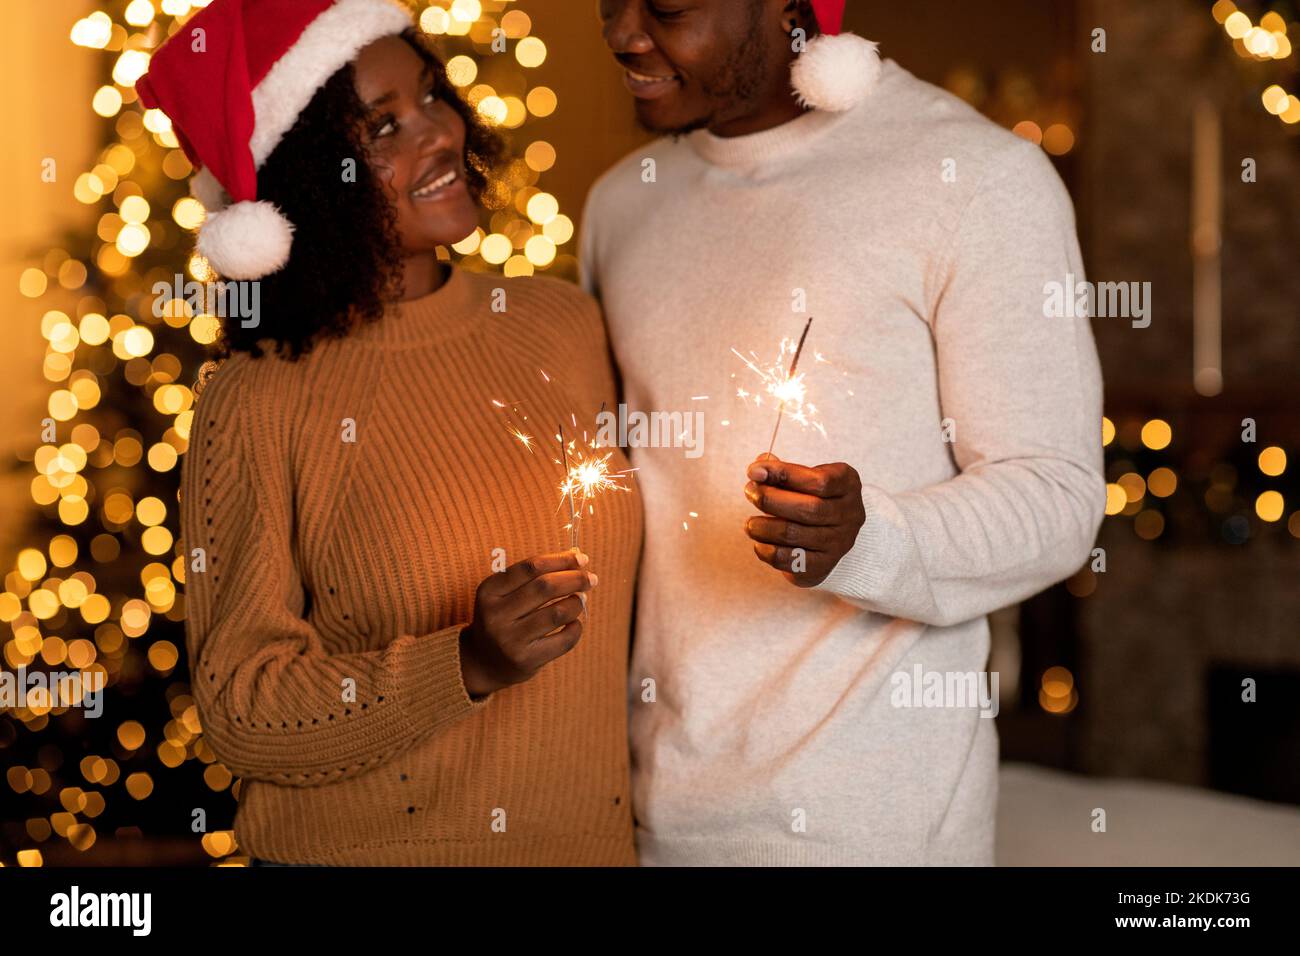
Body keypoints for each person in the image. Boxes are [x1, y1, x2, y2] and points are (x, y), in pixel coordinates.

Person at [582, 0, 1105, 865]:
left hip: (875, 833)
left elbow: (1056, 493)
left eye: (667, 7)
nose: (623, 35)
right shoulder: (621, 205)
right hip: (651, 818)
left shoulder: (976, 178)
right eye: (611, 1)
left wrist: (869, 540)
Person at [139, 0, 640, 865]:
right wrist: (467, 664)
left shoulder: (564, 325)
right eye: (382, 129)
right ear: (307, 174)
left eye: (432, 97)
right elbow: (241, 707)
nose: (439, 135)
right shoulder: (259, 398)